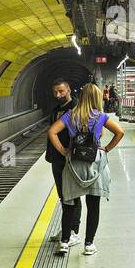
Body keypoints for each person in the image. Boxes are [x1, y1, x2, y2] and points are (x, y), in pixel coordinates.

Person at [49, 83, 124, 255]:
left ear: (81, 97)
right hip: (94, 163)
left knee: (69, 204)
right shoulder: (101, 116)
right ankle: (89, 244)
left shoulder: (70, 114)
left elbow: (52, 131)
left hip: (74, 162)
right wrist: (106, 149)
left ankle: (65, 242)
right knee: (93, 205)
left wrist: (63, 150)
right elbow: (120, 132)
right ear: (97, 98)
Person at [46, 79, 81, 245]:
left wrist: (66, 151)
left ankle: (74, 231)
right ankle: (67, 228)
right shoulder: (56, 110)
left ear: (69, 90)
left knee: (73, 195)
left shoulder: (76, 108)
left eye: (61, 91)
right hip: (57, 159)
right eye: (55, 92)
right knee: (63, 195)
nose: (58, 95)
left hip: (71, 158)